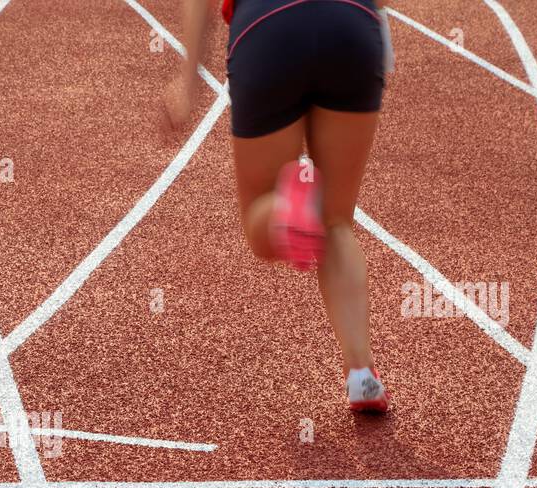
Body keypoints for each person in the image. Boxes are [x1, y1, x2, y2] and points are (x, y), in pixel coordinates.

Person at [165, 0, 390, 413]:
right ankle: (361, 375)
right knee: (337, 220)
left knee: (261, 230)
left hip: (268, 29)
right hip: (351, 25)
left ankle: (288, 207)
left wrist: (188, 81)